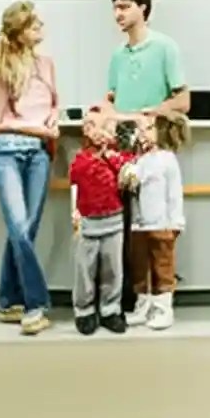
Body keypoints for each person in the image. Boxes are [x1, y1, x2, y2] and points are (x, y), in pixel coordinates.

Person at [97, 0, 189, 313]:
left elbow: (183, 99)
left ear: (143, 9)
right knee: (131, 228)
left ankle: (163, 300)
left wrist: (147, 115)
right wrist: (105, 115)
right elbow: (111, 98)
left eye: (124, 7)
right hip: (123, 143)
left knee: (158, 226)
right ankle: (140, 299)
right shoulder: (117, 55)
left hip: (154, 143)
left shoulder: (165, 47)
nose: (117, 14)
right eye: (115, 7)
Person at [0, 0, 59, 336]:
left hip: (40, 155)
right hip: (6, 154)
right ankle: (34, 305)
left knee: (25, 230)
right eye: (32, 24)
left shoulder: (47, 64)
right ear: (19, 32)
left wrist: (53, 120)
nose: (40, 27)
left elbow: (54, 103)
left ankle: (8, 301)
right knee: (19, 228)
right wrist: (38, 128)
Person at [68, 117, 136, 335]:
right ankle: (84, 310)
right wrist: (75, 213)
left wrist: (110, 155)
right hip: (88, 223)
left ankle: (110, 309)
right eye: (93, 126)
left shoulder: (119, 158)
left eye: (107, 128)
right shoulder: (81, 159)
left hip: (114, 221)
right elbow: (75, 182)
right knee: (84, 269)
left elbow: (127, 177)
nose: (101, 132)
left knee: (113, 269)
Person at [124, 111, 190, 330]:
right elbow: (132, 185)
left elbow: (174, 194)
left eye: (149, 128)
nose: (143, 133)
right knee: (140, 268)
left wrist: (176, 222)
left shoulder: (167, 160)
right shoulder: (140, 160)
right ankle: (143, 307)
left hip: (162, 225)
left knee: (162, 268)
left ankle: (163, 309)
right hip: (139, 224)